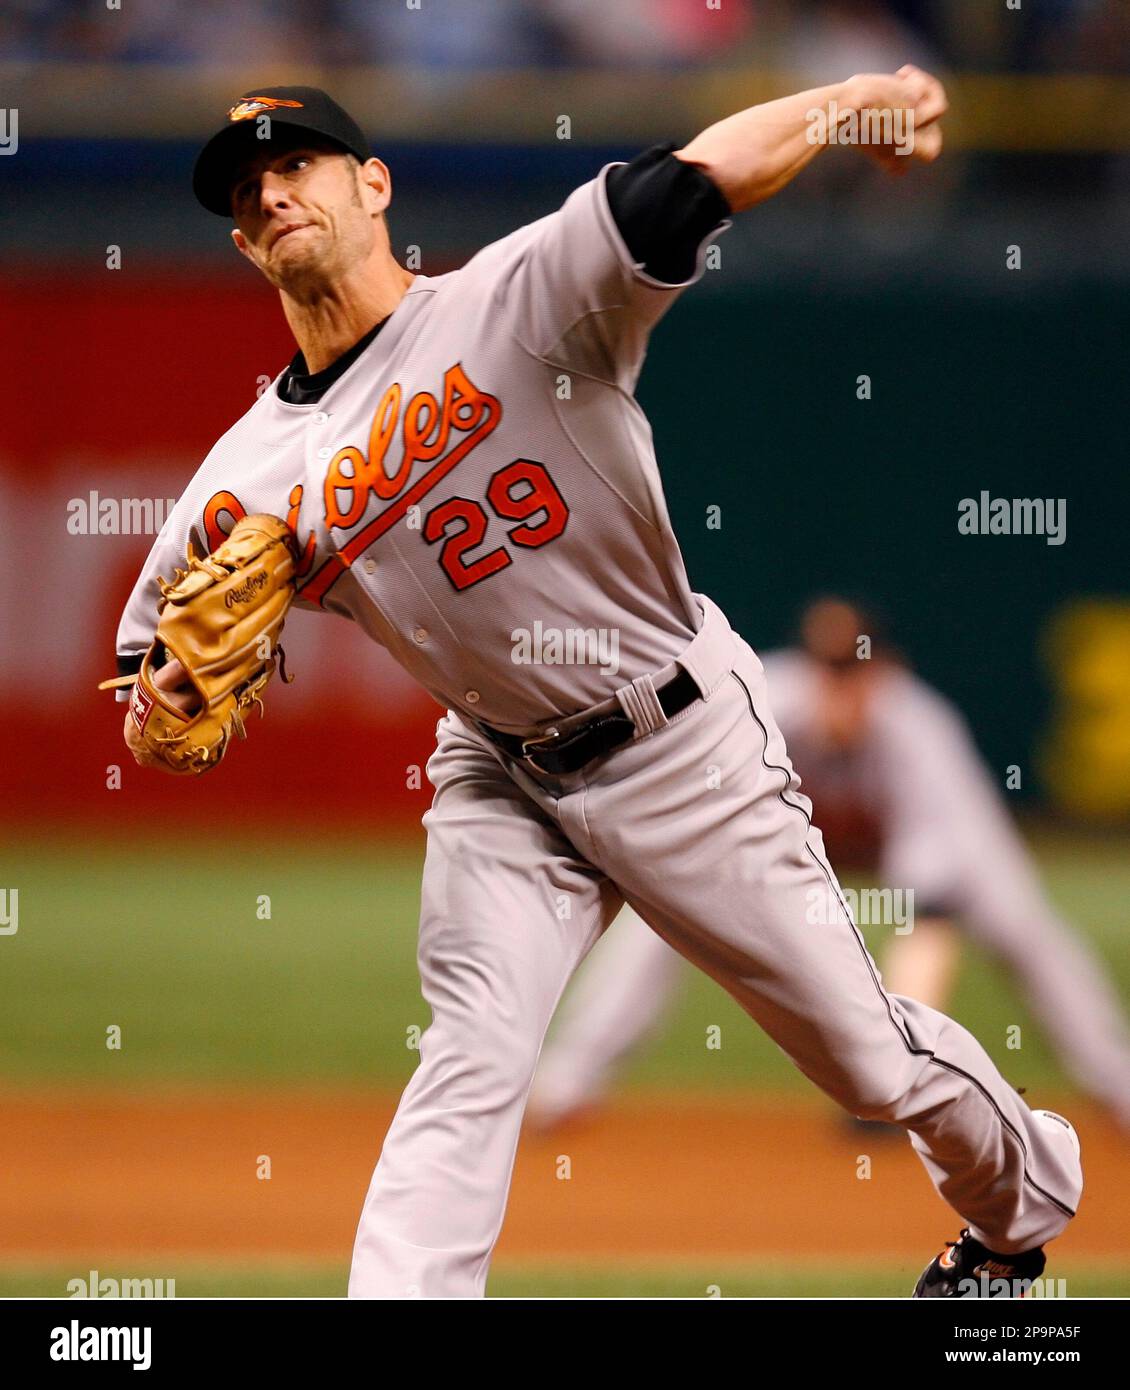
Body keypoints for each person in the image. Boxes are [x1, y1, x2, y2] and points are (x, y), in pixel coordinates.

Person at [111, 77, 1082, 1299]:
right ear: (246, 242)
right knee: (468, 1051)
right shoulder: (242, 474)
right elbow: (146, 696)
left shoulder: (515, 298)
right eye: (246, 193)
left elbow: (696, 178)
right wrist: (161, 706)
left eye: (296, 165)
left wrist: (855, 103)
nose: (270, 190)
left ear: (372, 185)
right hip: (500, 767)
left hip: (678, 739)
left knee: (867, 1063)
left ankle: (1015, 1213)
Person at [530, 598, 1130, 1137]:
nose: (837, 688)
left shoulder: (920, 732)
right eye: (827, 669)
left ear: (887, 672)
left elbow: (927, 918)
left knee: (1025, 929)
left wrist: (895, 1072)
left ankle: (1119, 1087)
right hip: (775, 845)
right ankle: (569, 1081)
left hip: (922, 853)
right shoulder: (758, 702)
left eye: (852, 672)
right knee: (657, 923)